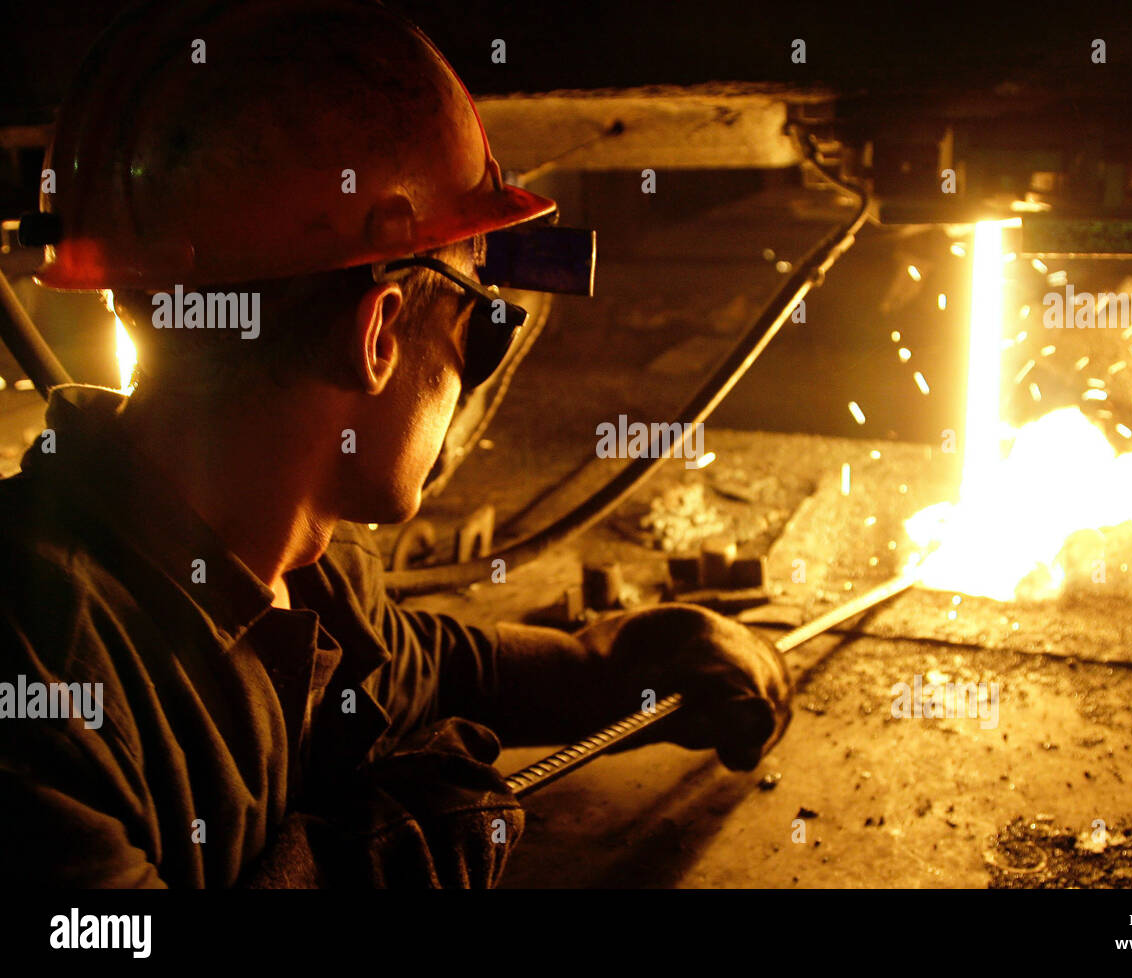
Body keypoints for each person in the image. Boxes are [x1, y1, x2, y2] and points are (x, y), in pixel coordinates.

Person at [0, 0, 790, 887]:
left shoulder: (283, 569)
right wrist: (372, 869)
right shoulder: (47, 692)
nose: (470, 368)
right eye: (477, 328)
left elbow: (430, 669)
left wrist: (623, 662)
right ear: (377, 337)